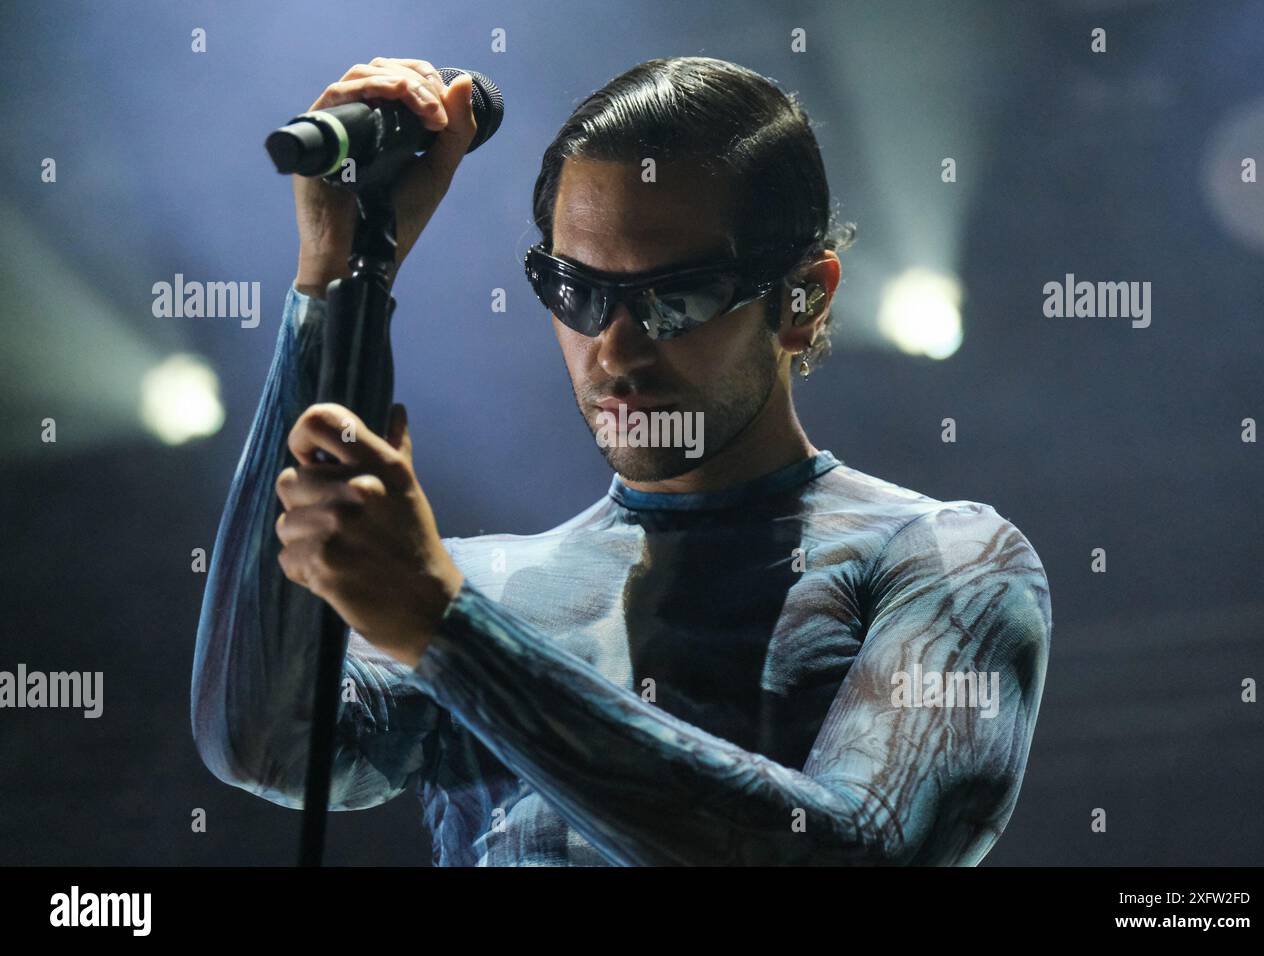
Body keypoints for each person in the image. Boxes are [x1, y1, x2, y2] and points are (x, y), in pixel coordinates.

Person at [191, 55, 1052, 866]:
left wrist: (448, 630)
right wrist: (334, 281)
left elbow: (861, 853)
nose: (615, 349)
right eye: (578, 291)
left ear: (803, 300)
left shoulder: (943, 561)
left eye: (674, 298)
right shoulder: (477, 583)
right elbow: (263, 746)